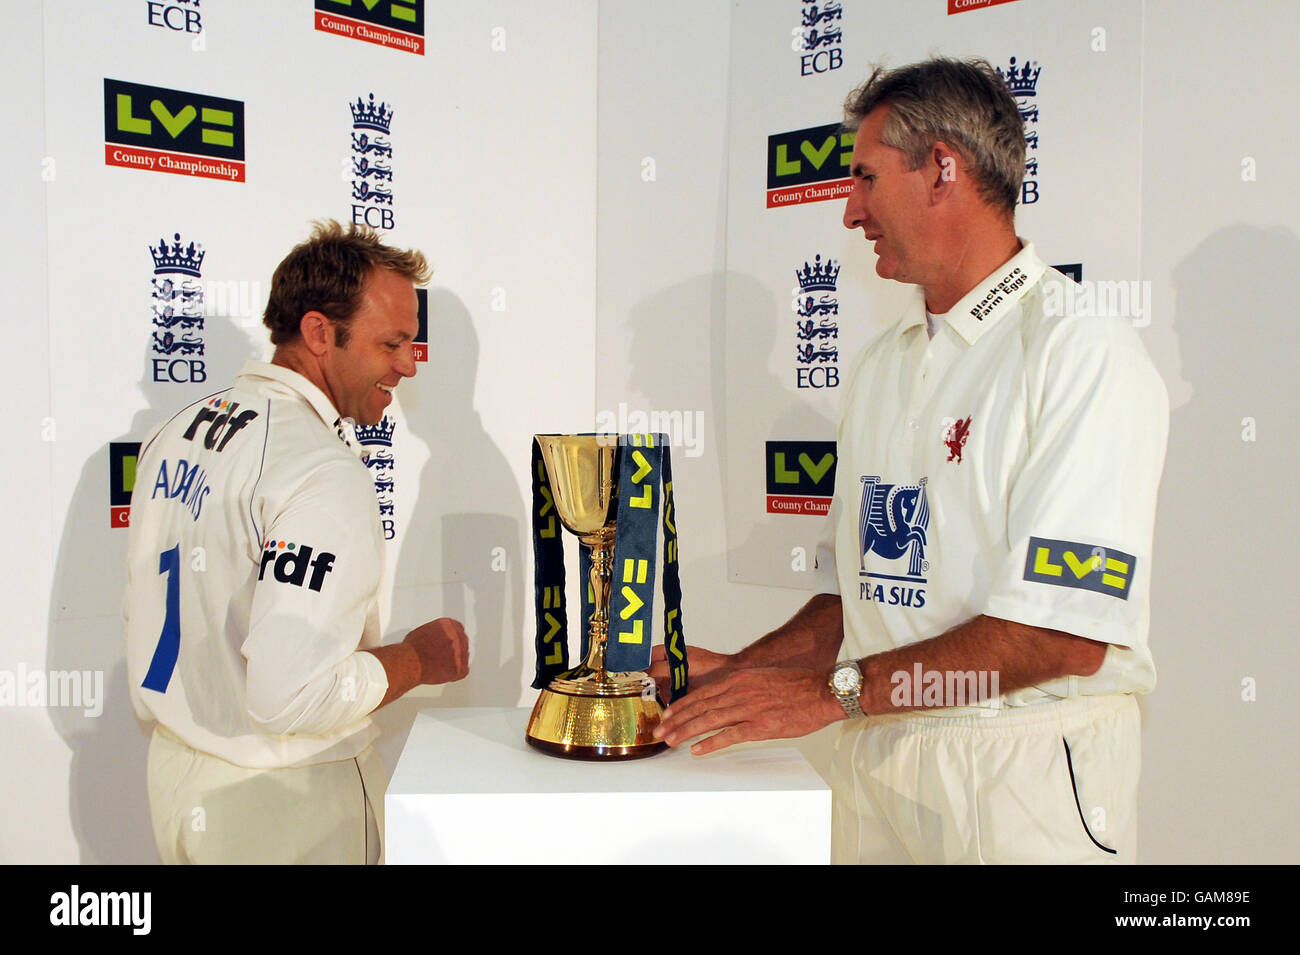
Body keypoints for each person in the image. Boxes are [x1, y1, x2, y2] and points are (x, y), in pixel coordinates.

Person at [652, 58, 1169, 864]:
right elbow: (858, 598)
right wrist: (745, 672)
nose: (848, 209)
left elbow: (1062, 635)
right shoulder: (883, 361)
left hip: (1025, 778)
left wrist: (829, 693)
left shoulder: (1079, 350)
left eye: (863, 177)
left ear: (942, 169)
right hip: (881, 759)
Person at [123, 220, 469, 864]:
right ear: (318, 332)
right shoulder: (319, 470)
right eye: (392, 342)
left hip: (178, 780)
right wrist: (418, 660)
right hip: (282, 807)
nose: (408, 363)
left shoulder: (177, 428)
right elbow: (292, 697)